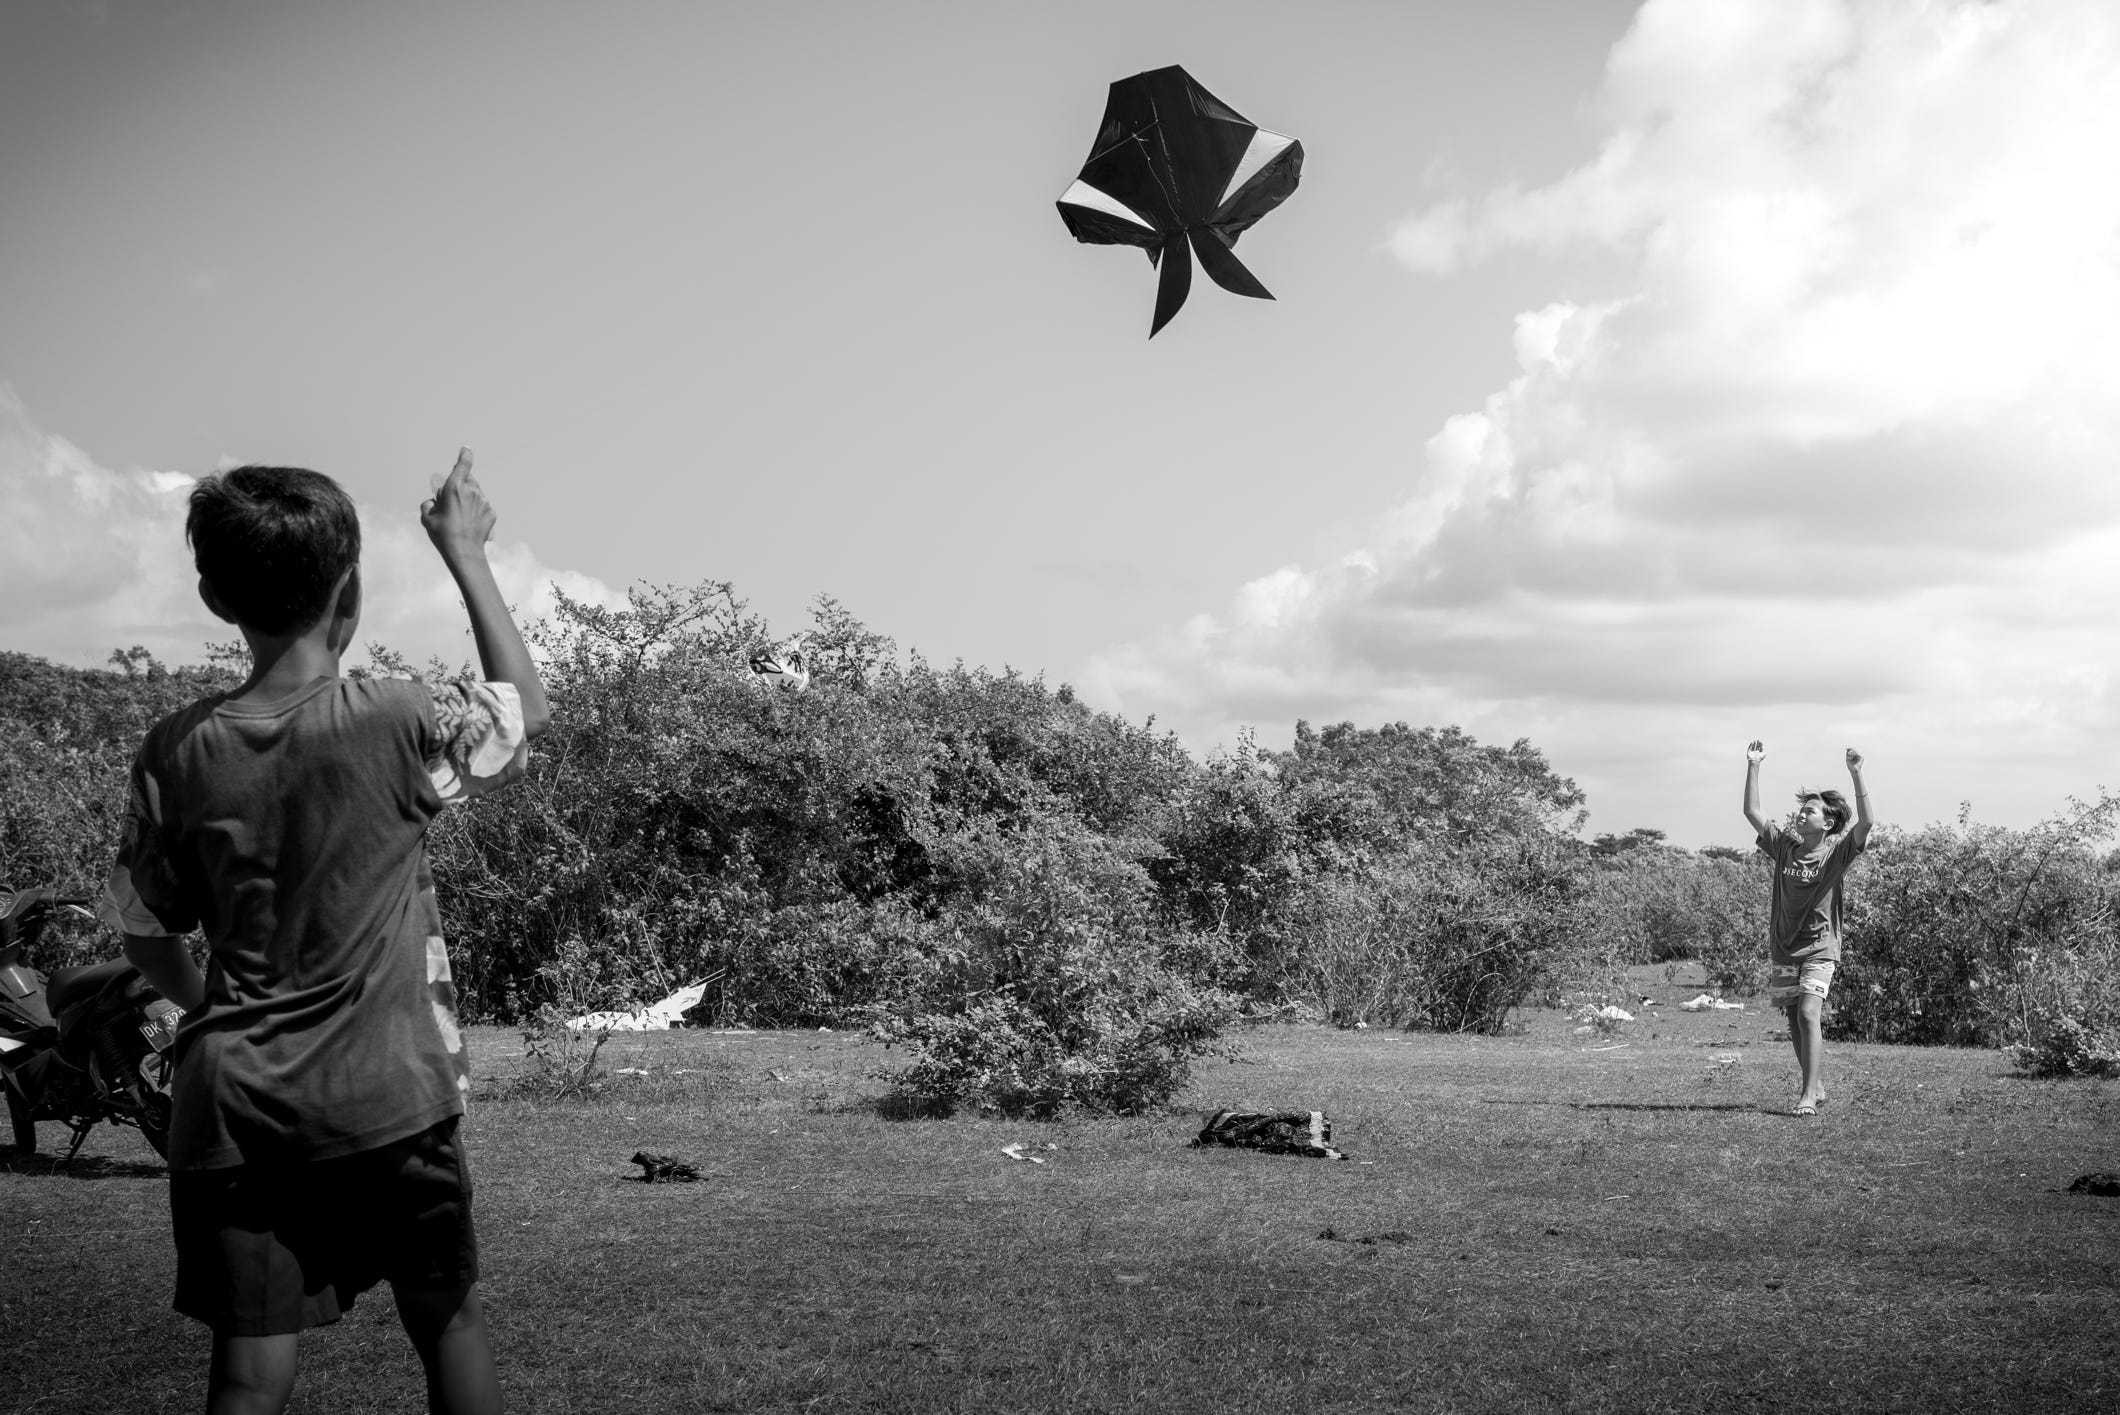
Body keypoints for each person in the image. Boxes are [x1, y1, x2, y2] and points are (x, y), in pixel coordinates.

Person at [100, 450, 549, 1415]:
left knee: (249, 1373)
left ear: (215, 596)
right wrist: (464, 550)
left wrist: (212, 1008)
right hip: (389, 1090)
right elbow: (521, 712)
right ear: (350, 588)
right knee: (449, 1322)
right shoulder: (392, 716)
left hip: (231, 1110)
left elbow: (143, 933)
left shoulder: (173, 751)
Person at [1740, 741, 1873, 1117]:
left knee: (1809, 1014)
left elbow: (1866, 823)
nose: (1800, 815)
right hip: (1784, 947)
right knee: (1794, 1021)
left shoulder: (1836, 854)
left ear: (1827, 823)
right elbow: (1751, 810)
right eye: (1800, 810)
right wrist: (1753, 764)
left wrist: (1856, 772)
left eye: (1809, 811)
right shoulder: (1783, 848)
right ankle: (1816, 1084)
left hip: (1820, 948)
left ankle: (1808, 1096)